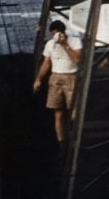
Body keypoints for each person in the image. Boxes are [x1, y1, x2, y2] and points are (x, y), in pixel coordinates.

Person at [33, 19, 83, 148]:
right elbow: (46, 63)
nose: (54, 36)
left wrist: (65, 44)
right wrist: (39, 78)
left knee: (74, 111)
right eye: (52, 34)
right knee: (58, 112)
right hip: (56, 77)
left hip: (71, 77)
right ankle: (61, 142)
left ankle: (74, 137)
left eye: (55, 33)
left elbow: (77, 59)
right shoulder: (50, 44)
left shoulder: (75, 41)